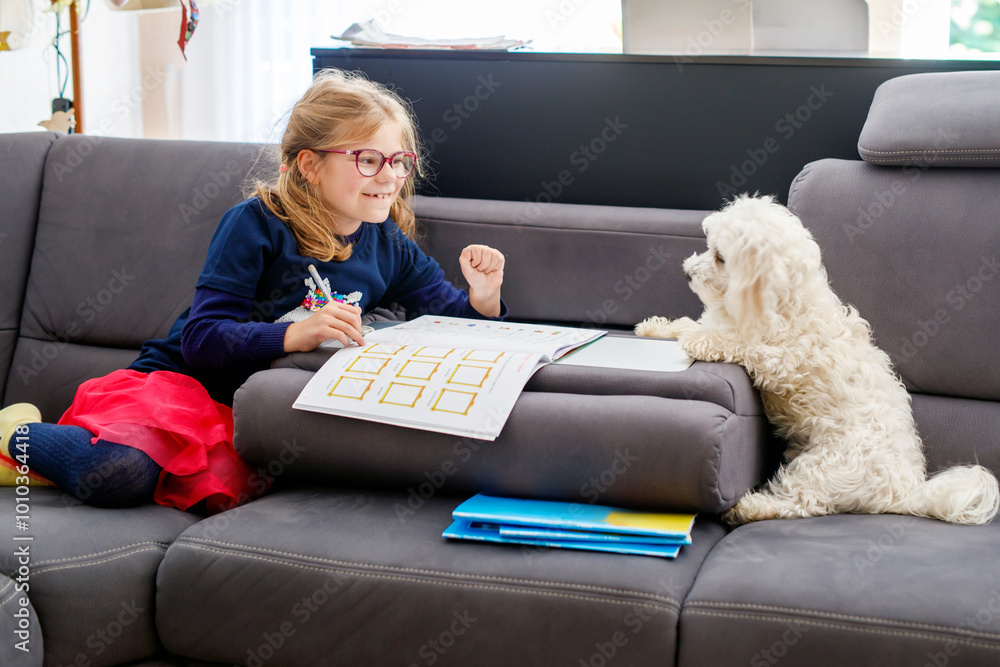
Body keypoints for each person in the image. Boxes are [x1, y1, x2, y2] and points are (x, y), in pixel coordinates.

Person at [0, 68, 506, 514]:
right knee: (116, 473)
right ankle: (15, 433)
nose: (391, 177)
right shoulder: (256, 225)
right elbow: (202, 339)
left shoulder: (387, 243)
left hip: (246, 416)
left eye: (399, 160)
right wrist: (291, 337)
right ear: (310, 165)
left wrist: (483, 299)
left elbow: (451, 319)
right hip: (179, 388)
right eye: (369, 159)